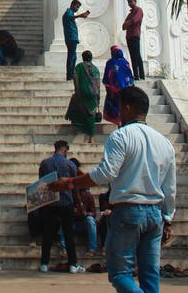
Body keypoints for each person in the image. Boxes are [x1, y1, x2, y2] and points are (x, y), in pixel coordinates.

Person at [49, 86, 176, 292]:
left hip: (128, 210)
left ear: (126, 109)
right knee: (150, 275)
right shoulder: (165, 143)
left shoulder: (121, 136)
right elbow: (169, 187)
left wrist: (70, 182)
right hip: (154, 213)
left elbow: (105, 173)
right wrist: (167, 219)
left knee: (119, 274)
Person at [38, 140, 84, 274]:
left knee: (47, 233)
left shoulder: (45, 163)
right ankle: (73, 264)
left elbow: (41, 183)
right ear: (64, 149)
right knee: (68, 233)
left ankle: (44, 263)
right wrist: (79, 203)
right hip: (66, 202)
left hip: (50, 202)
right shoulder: (70, 165)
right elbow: (74, 186)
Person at [58, 159, 98, 258]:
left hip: (83, 222)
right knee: (65, 220)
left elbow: (94, 213)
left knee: (90, 220)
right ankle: (64, 249)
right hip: (72, 222)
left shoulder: (87, 195)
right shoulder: (69, 195)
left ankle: (92, 249)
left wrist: (86, 213)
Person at [65, 49, 100, 143]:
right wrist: (97, 96)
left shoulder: (79, 67)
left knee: (77, 108)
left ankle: (77, 128)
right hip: (93, 94)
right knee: (91, 114)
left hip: (83, 92)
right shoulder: (95, 69)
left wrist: (77, 91)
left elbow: (75, 78)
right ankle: (91, 137)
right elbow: (98, 83)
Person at [102, 46, 134, 125]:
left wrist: (108, 85)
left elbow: (107, 76)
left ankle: (118, 123)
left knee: (116, 107)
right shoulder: (126, 62)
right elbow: (130, 76)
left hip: (114, 91)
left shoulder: (110, 62)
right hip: (126, 90)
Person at [62, 0, 90, 81]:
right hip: (71, 37)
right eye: (77, 7)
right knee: (71, 56)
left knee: (73, 57)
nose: (77, 9)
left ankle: (71, 73)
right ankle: (70, 75)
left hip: (72, 37)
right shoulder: (68, 12)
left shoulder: (70, 13)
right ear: (72, 5)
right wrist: (80, 16)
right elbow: (70, 17)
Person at [122, 0, 145, 81]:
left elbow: (134, 20)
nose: (130, 3)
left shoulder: (139, 10)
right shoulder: (130, 14)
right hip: (129, 36)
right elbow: (123, 26)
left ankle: (141, 75)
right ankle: (136, 75)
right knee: (132, 56)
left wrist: (127, 23)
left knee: (137, 55)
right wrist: (127, 23)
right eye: (128, 2)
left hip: (135, 35)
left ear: (135, 1)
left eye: (131, 1)